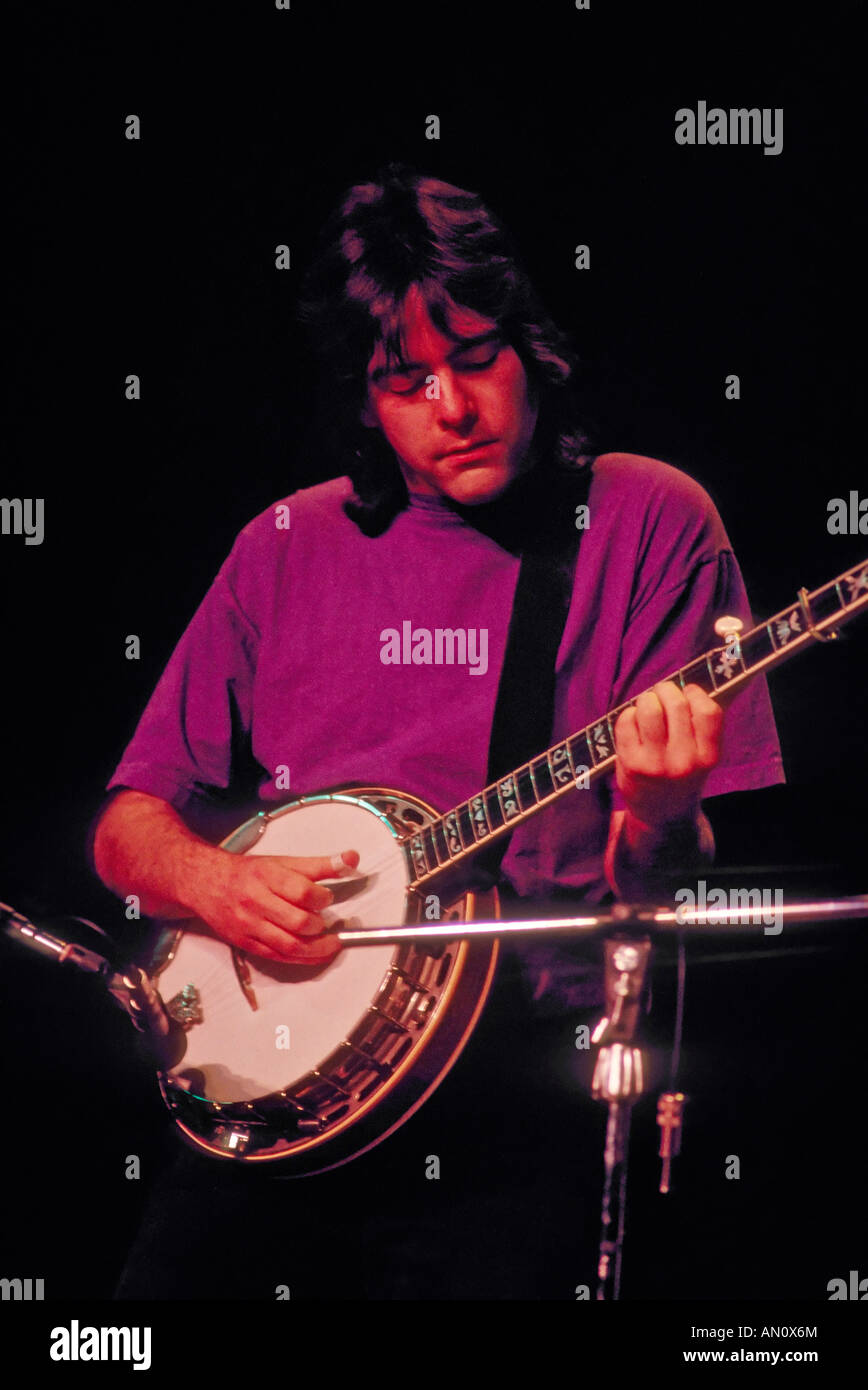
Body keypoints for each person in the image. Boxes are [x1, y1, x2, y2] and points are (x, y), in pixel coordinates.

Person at [91, 164, 784, 1299]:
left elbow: (653, 890)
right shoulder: (283, 545)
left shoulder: (646, 519)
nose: (452, 410)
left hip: (515, 1118)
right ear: (363, 399)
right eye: (406, 381)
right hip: (270, 1109)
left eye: (475, 360)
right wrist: (212, 884)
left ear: (531, 351)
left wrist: (659, 808)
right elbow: (127, 830)